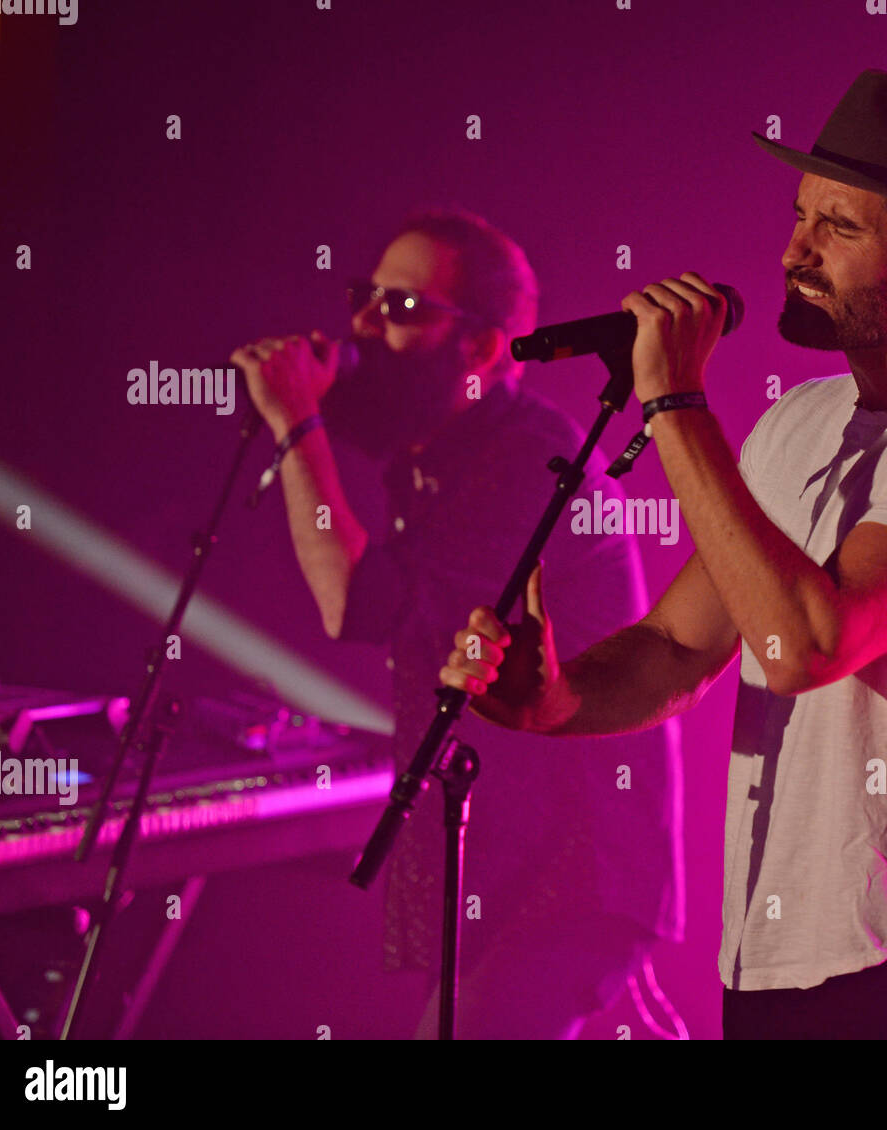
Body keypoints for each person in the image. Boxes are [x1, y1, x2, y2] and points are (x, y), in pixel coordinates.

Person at [441, 70, 887, 1040]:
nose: (794, 250)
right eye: (799, 216)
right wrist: (557, 700)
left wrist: (673, 401)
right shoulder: (800, 417)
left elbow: (804, 645)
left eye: (840, 227)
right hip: (764, 961)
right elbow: (674, 647)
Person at [233, 207, 684, 1039]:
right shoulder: (441, 454)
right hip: (507, 858)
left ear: (481, 349)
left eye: (402, 309)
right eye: (366, 298)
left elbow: (356, 605)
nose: (364, 324)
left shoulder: (525, 464)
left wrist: (296, 424)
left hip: (574, 869)